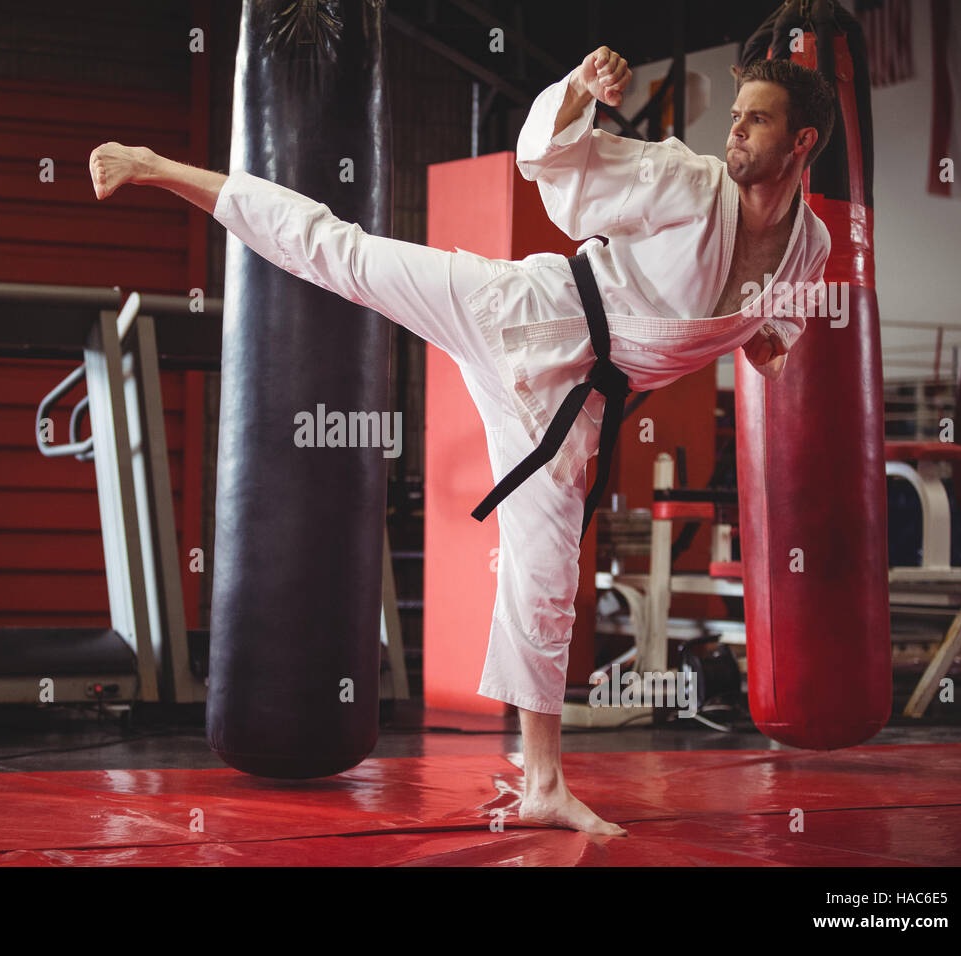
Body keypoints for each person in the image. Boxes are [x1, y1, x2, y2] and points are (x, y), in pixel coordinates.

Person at [89, 46, 834, 836]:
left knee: (545, 579)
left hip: (569, 410)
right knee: (343, 253)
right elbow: (554, 160)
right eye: (739, 114)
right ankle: (158, 166)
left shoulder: (809, 247)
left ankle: (543, 782)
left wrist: (767, 346)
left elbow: (769, 329)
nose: (738, 131)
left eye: (759, 119)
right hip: (523, 313)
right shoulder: (688, 182)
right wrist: (580, 89)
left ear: (802, 143)